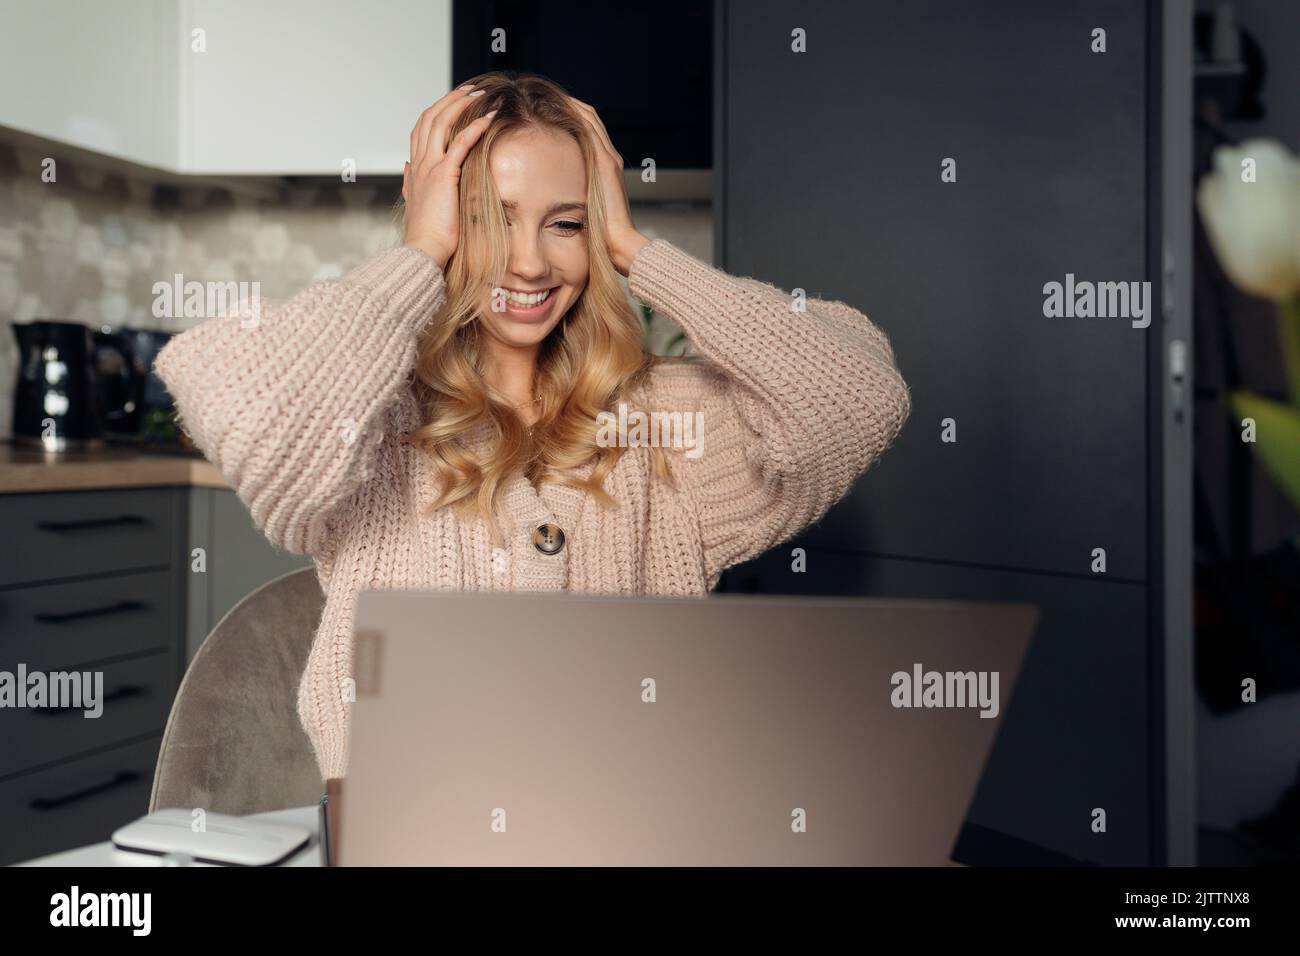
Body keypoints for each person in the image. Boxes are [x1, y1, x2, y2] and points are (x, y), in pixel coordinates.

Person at [153, 71, 912, 781]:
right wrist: (420, 254)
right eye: (491, 219)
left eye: (566, 224)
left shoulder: (659, 426)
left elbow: (856, 394)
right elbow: (245, 405)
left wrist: (638, 253)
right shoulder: (375, 424)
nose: (529, 263)